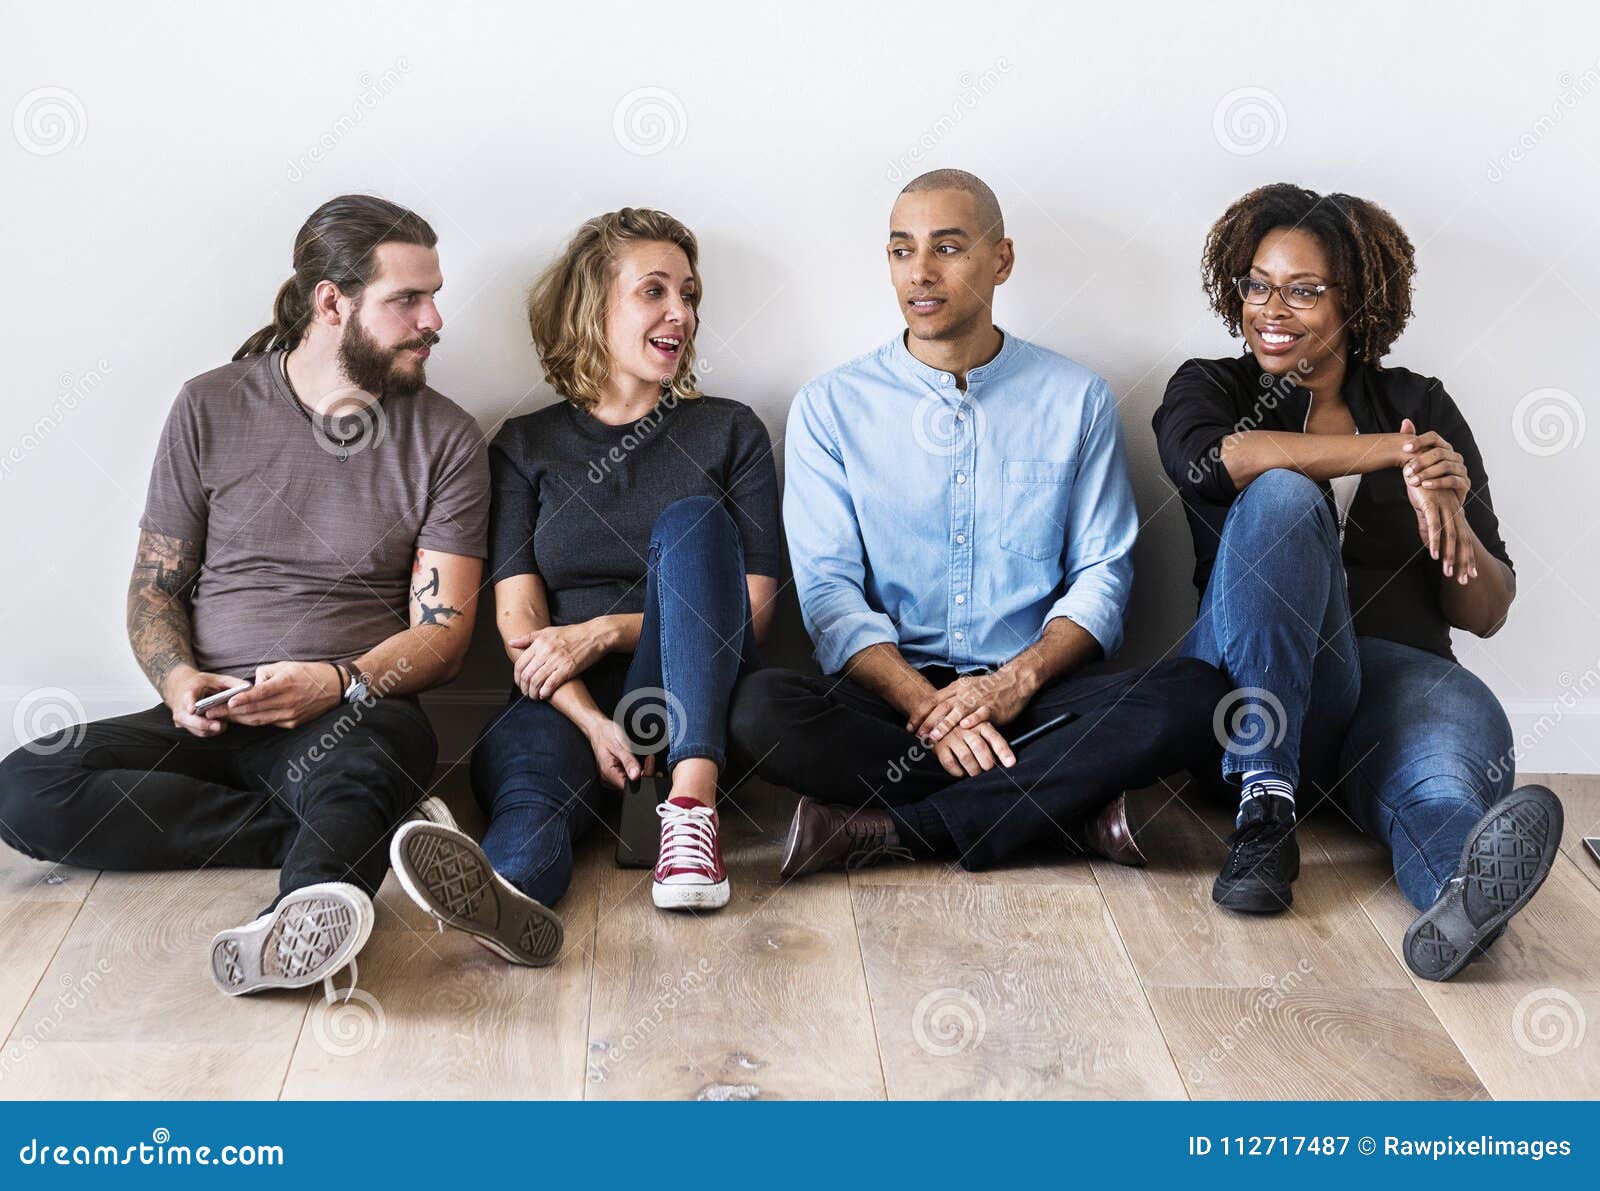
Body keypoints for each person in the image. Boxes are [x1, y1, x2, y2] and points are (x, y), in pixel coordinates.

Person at [0, 195, 489, 996]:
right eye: (409, 298)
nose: (435, 318)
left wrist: (334, 681)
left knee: (374, 755)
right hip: (215, 713)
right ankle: (375, 830)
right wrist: (176, 680)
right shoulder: (209, 404)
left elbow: (443, 634)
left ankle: (300, 914)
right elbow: (156, 586)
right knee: (26, 788)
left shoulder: (447, 437)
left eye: (434, 295)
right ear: (332, 301)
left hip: (349, 713)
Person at [727, 170, 1228, 878]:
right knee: (760, 708)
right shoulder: (830, 407)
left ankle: (899, 827)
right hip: (893, 704)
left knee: (1193, 695)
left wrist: (1011, 684)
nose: (920, 273)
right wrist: (929, 705)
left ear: (1002, 259)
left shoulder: (1076, 398)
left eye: (948, 248)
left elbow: (1102, 579)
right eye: (901, 251)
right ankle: (1068, 810)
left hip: (1038, 695)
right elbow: (830, 594)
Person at [1153, 182, 1563, 981]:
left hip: (1392, 683)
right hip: (1243, 694)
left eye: (1304, 290)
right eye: (1257, 284)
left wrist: (1451, 519)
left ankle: (1459, 899)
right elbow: (1217, 461)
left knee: (1443, 793)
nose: (1272, 309)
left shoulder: (1420, 403)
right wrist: (1393, 452)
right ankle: (1266, 806)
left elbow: (1486, 613)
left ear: (1357, 302)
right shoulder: (1212, 388)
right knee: (1277, 493)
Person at [388, 208, 779, 962]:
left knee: (695, 524)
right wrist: (592, 720)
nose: (682, 314)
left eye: (690, 294)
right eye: (655, 291)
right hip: (563, 697)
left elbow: (755, 610)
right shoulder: (527, 445)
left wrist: (601, 630)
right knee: (531, 802)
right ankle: (506, 901)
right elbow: (519, 617)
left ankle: (687, 812)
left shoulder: (730, 432)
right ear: (592, 307)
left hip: (689, 699)